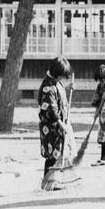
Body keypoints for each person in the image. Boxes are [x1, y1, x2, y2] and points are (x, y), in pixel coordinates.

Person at [38, 57, 79, 190]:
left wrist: (67, 87)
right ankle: (47, 183)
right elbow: (51, 109)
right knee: (52, 155)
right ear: (56, 73)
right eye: (62, 76)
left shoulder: (56, 83)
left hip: (59, 124)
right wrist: (62, 126)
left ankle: (54, 181)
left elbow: (59, 99)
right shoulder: (47, 86)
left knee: (59, 153)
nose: (63, 79)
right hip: (51, 127)